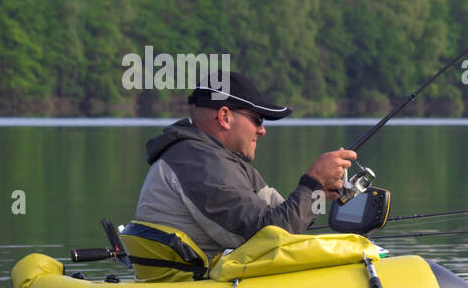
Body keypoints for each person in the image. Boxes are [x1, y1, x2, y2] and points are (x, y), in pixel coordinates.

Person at [134, 72, 355, 258]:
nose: (262, 130)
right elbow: (269, 236)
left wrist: (318, 194)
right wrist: (313, 180)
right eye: (257, 119)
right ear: (225, 117)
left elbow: (290, 226)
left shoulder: (217, 159)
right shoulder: (200, 165)